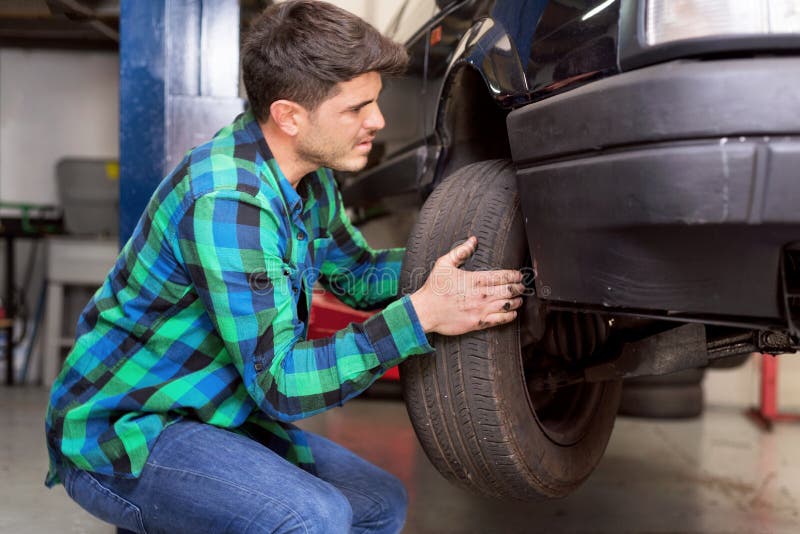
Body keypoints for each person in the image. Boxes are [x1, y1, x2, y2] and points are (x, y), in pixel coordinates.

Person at [44, 1, 525, 532]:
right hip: (127, 430)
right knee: (310, 518)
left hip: (214, 411)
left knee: (379, 502)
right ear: (289, 116)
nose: (378, 121)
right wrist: (420, 316)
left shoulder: (306, 179)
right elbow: (282, 385)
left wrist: (450, 272)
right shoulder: (228, 203)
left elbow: (357, 275)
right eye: (356, 108)